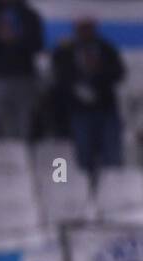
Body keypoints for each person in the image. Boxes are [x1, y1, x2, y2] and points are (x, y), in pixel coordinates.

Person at [51, 17, 124, 177]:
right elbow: (61, 76)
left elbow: (119, 73)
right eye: (82, 28)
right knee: (83, 155)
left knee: (111, 155)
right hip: (79, 110)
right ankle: (87, 189)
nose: (85, 32)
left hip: (105, 109)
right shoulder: (66, 51)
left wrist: (99, 71)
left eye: (88, 28)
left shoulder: (106, 49)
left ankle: (111, 187)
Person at [0, 0, 44, 141]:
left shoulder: (29, 16)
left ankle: (24, 156)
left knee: (24, 120)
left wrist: (17, 39)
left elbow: (37, 45)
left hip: (23, 76)